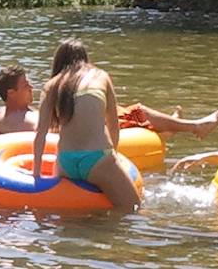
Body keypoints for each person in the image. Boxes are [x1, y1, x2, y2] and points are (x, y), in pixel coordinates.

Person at [31, 39, 140, 211]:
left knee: (70, 222)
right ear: (85, 59)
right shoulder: (100, 76)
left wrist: (36, 176)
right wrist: (114, 156)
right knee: (134, 208)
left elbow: (40, 134)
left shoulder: (52, 85)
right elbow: (113, 123)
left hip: (65, 163)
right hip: (97, 159)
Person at [0, 64, 218, 137]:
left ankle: (169, 127)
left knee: (120, 110)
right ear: (11, 93)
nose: (31, 87)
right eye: (25, 85)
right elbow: (57, 135)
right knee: (137, 111)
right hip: (86, 135)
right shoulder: (31, 118)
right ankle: (195, 127)